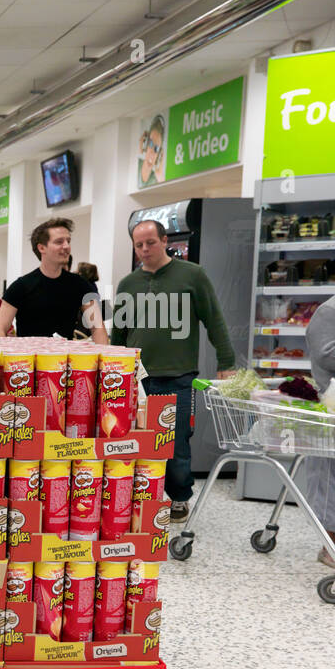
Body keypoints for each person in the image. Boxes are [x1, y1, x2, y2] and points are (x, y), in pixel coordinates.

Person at [112, 218, 236, 521]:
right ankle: (140, 500)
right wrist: (114, 369)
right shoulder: (128, 284)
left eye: (150, 242)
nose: (144, 249)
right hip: (137, 378)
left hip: (178, 376)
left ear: (165, 241)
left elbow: (214, 320)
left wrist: (227, 362)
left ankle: (179, 498)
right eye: (138, 245)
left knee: (176, 440)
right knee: (136, 441)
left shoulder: (192, 276)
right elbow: (119, 332)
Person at [0, 217, 108, 344]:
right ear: (42, 248)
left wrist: (103, 357)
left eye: (68, 241)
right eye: (59, 242)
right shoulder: (20, 287)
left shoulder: (80, 285)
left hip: (64, 361)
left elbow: (97, 328)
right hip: (28, 360)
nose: (66, 246)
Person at [304, 295, 335, 563]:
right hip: (333, 405)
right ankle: (331, 545)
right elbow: (326, 353)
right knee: (329, 474)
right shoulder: (330, 311)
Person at [138, 114, 166, 188]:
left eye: (156, 149)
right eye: (150, 144)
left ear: (159, 155)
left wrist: (161, 179)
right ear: (145, 144)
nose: (152, 152)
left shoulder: (156, 180)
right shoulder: (136, 165)